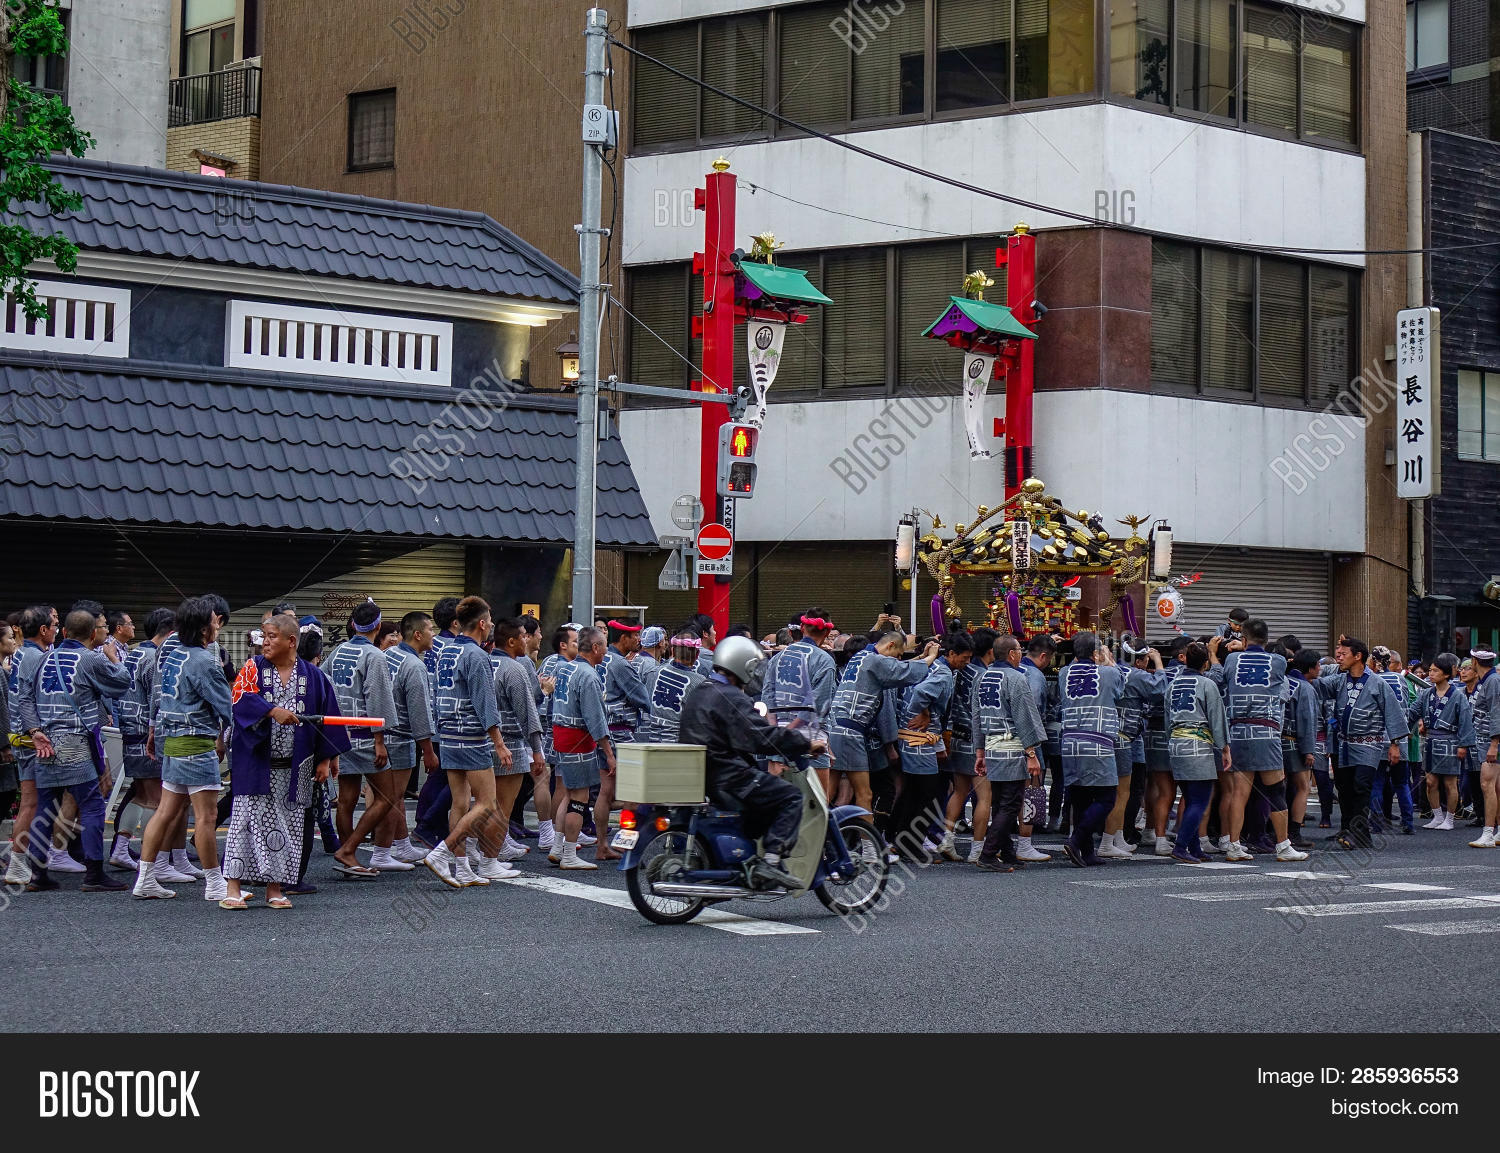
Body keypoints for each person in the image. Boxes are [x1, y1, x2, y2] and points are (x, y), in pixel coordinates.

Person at [221, 613, 350, 909]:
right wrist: (271, 710)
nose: (265, 642)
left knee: (288, 827)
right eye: (264, 636)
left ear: (291, 641)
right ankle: (233, 886)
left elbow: (326, 716)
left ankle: (275, 888)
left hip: (295, 766)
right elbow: (239, 700)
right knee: (244, 822)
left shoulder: (314, 676)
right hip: (256, 762)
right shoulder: (252, 667)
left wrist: (325, 758)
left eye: (272, 636)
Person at [678, 636, 823, 890]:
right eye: (753, 668)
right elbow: (760, 736)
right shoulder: (731, 696)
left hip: (707, 775)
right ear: (742, 666)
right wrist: (804, 743)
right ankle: (771, 861)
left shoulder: (701, 690)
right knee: (790, 797)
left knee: (765, 800)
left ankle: (748, 859)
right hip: (729, 776)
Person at [16, 608, 133, 892]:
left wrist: (34, 730)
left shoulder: (43, 658)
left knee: (45, 806)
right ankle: (94, 873)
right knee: (92, 805)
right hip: (75, 742)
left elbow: (24, 699)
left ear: (65, 632)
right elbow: (121, 684)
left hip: (44, 743)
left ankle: (37, 873)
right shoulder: (90, 658)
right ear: (92, 633)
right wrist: (115, 660)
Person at [132, 597, 234, 901]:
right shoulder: (205, 661)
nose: (218, 626)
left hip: (173, 742)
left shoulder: (173, 653)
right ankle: (215, 883)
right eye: (215, 621)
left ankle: (145, 879)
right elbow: (227, 707)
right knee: (206, 817)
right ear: (204, 628)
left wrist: (153, 728)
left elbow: (157, 696)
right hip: (197, 745)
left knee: (165, 811)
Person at [423, 597, 510, 888]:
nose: (492, 625)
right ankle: (442, 852)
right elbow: (485, 702)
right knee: (487, 802)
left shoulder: (446, 650)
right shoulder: (477, 655)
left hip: (448, 735)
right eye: (490, 620)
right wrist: (499, 742)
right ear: (482, 623)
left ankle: (462, 868)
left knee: (459, 803)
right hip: (471, 736)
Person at [1208, 620, 1308, 862]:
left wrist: (1220, 652)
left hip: (1238, 731)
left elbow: (1222, 675)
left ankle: (1233, 845)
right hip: (1266, 732)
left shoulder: (1232, 660)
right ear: (1267, 639)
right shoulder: (1279, 661)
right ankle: (1283, 846)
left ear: (1244, 639)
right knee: (1276, 790)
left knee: (1239, 792)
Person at [828, 629, 940, 821]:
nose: (898, 659)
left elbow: (896, 668)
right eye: (898, 655)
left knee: (828, 792)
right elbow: (904, 671)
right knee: (865, 794)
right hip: (851, 732)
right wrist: (931, 657)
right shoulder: (875, 661)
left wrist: (921, 657)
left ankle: (813, 834)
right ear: (890, 645)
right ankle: (868, 841)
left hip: (835, 728)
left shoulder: (862, 656)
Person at [324, 600, 400, 880]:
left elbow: (325, 682)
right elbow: (377, 697)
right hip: (365, 735)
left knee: (346, 799)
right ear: (378, 626)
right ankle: (349, 849)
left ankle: (349, 858)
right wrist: (380, 740)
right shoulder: (374, 656)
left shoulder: (339, 650)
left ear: (354, 624)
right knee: (387, 796)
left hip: (341, 733)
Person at [1313, 635, 1409, 851]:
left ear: (1358, 656)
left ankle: (1356, 832)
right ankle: (1355, 832)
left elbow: (1393, 713)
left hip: (1369, 743)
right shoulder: (1339, 680)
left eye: (1343, 654)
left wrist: (1395, 744)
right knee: (1344, 787)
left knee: (1361, 786)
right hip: (1343, 743)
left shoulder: (1378, 683)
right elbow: (1316, 686)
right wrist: (1302, 669)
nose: (1339, 657)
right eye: (1338, 654)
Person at [106, 608, 174, 871]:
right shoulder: (154, 658)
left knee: (141, 796)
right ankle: (153, 860)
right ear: (170, 633)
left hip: (130, 733)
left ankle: (121, 849)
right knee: (157, 801)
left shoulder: (134, 654)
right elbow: (157, 701)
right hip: (148, 737)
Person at [972, 635, 1046, 872]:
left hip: (992, 747)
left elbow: (976, 716)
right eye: (1019, 649)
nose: (1021, 653)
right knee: (1011, 803)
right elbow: (1024, 717)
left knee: (1000, 802)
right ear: (1012, 654)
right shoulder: (1015, 678)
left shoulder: (981, 676)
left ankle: (1007, 852)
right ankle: (988, 854)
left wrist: (980, 751)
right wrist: (1031, 753)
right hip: (1012, 746)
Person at [371, 610, 438, 870]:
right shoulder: (414, 665)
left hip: (380, 734)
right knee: (392, 797)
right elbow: (419, 713)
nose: (433, 634)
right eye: (430, 629)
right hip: (400, 737)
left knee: (391, 797)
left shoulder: (388, 655)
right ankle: (381, 853)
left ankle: (401, 845)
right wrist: (428, 751)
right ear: (418, 634)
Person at [476, 617, 542, 879]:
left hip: (481, 740)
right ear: (512, 641)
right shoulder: (513, 668)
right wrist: (537, 749)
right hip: (510, 742)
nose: (527, 640)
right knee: (501, 807)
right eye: (524, 636)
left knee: (482, 804)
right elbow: (528, 714)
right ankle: (489, 859)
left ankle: (478, 854)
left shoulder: (484, 662)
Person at [547, 625, 613, 870]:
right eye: (604, 646)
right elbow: (596, 719)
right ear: (595, 648)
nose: (606, 651)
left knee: (568, 792)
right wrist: (609, 753)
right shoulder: (588, 675)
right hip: (577, 738)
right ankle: (569, 854)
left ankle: (558, 847)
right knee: (579, 798)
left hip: (561, 734)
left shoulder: (565, 667)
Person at [889, 635, 960, 860]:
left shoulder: (927, 665)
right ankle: (910, 843)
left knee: (912, 791)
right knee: (926, 795)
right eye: (965, 658)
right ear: (951, 654)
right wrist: (925, 711)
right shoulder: (942, 672)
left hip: (909, 734)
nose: (966, 662)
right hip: (921, 738)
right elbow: (921, 693)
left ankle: (897, 838)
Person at [1057, 632, 1124, 867]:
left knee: (1080, 798)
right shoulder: (1109, 673)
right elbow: (1119, 690)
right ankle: (1075, 841)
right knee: (1107, 797)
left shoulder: (1064, 673)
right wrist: (1108, 659)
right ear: (1096, 653)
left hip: (1070, 742)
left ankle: (1087, 852)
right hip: (1097, 741)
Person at [759, 609, 838, 798]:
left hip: (778, 739)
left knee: (779, 804)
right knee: (817, 806)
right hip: (811, 741)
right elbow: (818, 707)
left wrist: (779, 738)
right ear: (827, 632)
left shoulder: (777, 658)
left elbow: (766, 700)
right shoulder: (824, 660)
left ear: (802, 628)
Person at [3, 606, 55, 886]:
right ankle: (20, 863)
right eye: (54, 625)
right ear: (43, 630)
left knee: (30, 802)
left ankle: (24, 862)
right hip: (33, 739)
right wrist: (36, 730)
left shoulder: (22, 652)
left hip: (21, 736)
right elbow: (31, 699)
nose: (56, 629)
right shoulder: (38, 656)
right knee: (33, 803)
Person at [1166, 642, 1230, 864]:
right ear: (1205, 664)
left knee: (1191, 798)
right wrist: (1224, 747)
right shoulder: (1207, 684)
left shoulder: (1173, 684)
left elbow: (1167, 718)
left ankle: (1194, 848)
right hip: (1198, 745)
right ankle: (1181, 846)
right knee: (1200, 801)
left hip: (1176, 743)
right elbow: (1217, 717)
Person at [1100, 637, 1161, 859]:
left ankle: (1117, 838)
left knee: (1115, 791)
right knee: (1123, 793)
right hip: (1123, 738)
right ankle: (1109, 841)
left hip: (1108, 734)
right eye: (1146, 660)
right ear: (1138, 661)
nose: (1147, 664)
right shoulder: (1136, 675)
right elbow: (1160, 689)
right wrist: (1159, 663)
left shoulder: (1111, 671)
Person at [934, 627, 989, 859]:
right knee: (985, 796)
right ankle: (977, 849)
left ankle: (947, 840)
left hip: (954, 735)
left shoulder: (954, 671)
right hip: (975, 740)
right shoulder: (981, 675)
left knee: (959, 791)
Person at [598, 620, 652, 862]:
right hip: (620, 733)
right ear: (623, 638)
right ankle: (625, 842)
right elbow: (642, 698)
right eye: (635, 636)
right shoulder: (620, 664)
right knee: (632, 790)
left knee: (605, 791)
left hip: (602, 731)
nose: (638, 640)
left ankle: (602, 845)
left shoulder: (601, 659)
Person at [412, 595, 462, 850]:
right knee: (452, 776)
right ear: (456, 622)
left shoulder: (435, 643)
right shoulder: (456, 648)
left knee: (440, 775)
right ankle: (427, 823)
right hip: (448, 717)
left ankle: (431, 825)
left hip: (431, 715)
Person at [1411, 653, 1474, 831]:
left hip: (1450, 740)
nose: (1430, 674)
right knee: (1430, 782)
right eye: (1430, 670)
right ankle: (1437, 816)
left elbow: (1465, 721)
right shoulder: (1426, 694)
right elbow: (1413, 712)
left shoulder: (1458, 695)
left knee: (1450, 782)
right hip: (1431, 740)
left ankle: (1450, 818)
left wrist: (1463, 745)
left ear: (1446, 674)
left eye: (1435, 671)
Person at [537, 623, 580, 852]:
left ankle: (555, 832)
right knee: (563, 785)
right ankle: (557, 832)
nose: (579, 645)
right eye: (575, 642)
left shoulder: (548, 661)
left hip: (547, 726)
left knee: (556, 782)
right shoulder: (567, 668)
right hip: (561, 728)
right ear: (563, 645)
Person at [1373, 650, 1418, 835]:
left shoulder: (1374, 680)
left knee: (1377, 782)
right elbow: (1408, 706)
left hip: (1379, 737)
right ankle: (1408, 823)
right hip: (1401, 737)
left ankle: (1376, 823)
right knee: (1402, 783)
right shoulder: (1402, 680)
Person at [641, 629, 708, 744]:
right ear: (697, 655)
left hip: (650, 741)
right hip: (679, 745)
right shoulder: (700, 682)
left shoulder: (653, 673)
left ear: (672, 651)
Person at [1282, 649, 1320, 850]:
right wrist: (1309, 750)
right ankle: (1294, 832)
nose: (1320, 668)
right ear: (1310, 668)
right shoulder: (1305, 688)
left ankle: (1274, 830)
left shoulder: (1283, 680)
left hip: (1275, 740)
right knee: (1303, 787)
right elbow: (1307, 720)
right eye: (1318, 665)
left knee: (1278, 787)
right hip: (1294, 741)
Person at [1465, 649, 1500, 847]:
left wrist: (1494, 743)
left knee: (1487, 785)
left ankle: (1488, 833)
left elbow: (1496, 711)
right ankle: (1498, 831)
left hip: (1491, 739)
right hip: (1488, 738)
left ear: (1475, 661)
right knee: (1496, 787)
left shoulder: (1492, 681)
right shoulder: (1489, 680)